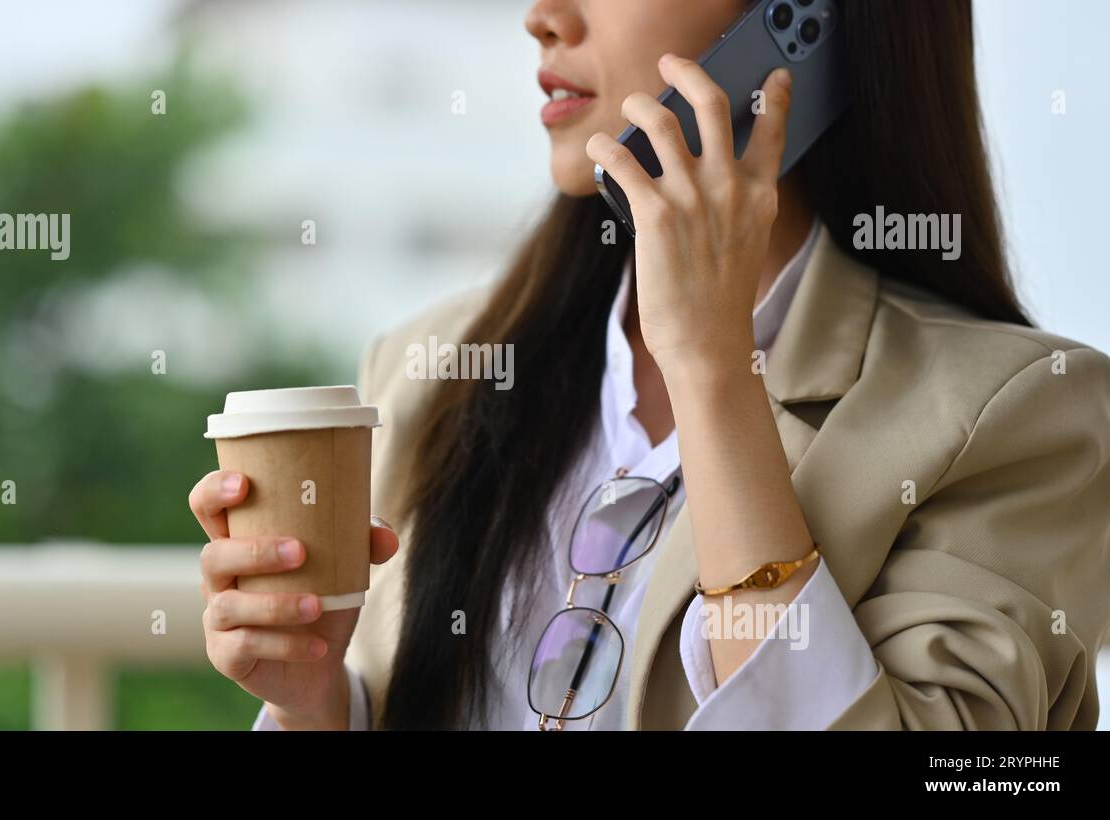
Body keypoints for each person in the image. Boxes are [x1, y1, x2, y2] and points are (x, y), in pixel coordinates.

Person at [191, 0, 1110, 730]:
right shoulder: (428, 369)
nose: (543, 15)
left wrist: (713, 374)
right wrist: (316, 709)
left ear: (804, 22)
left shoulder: (1022, 415)